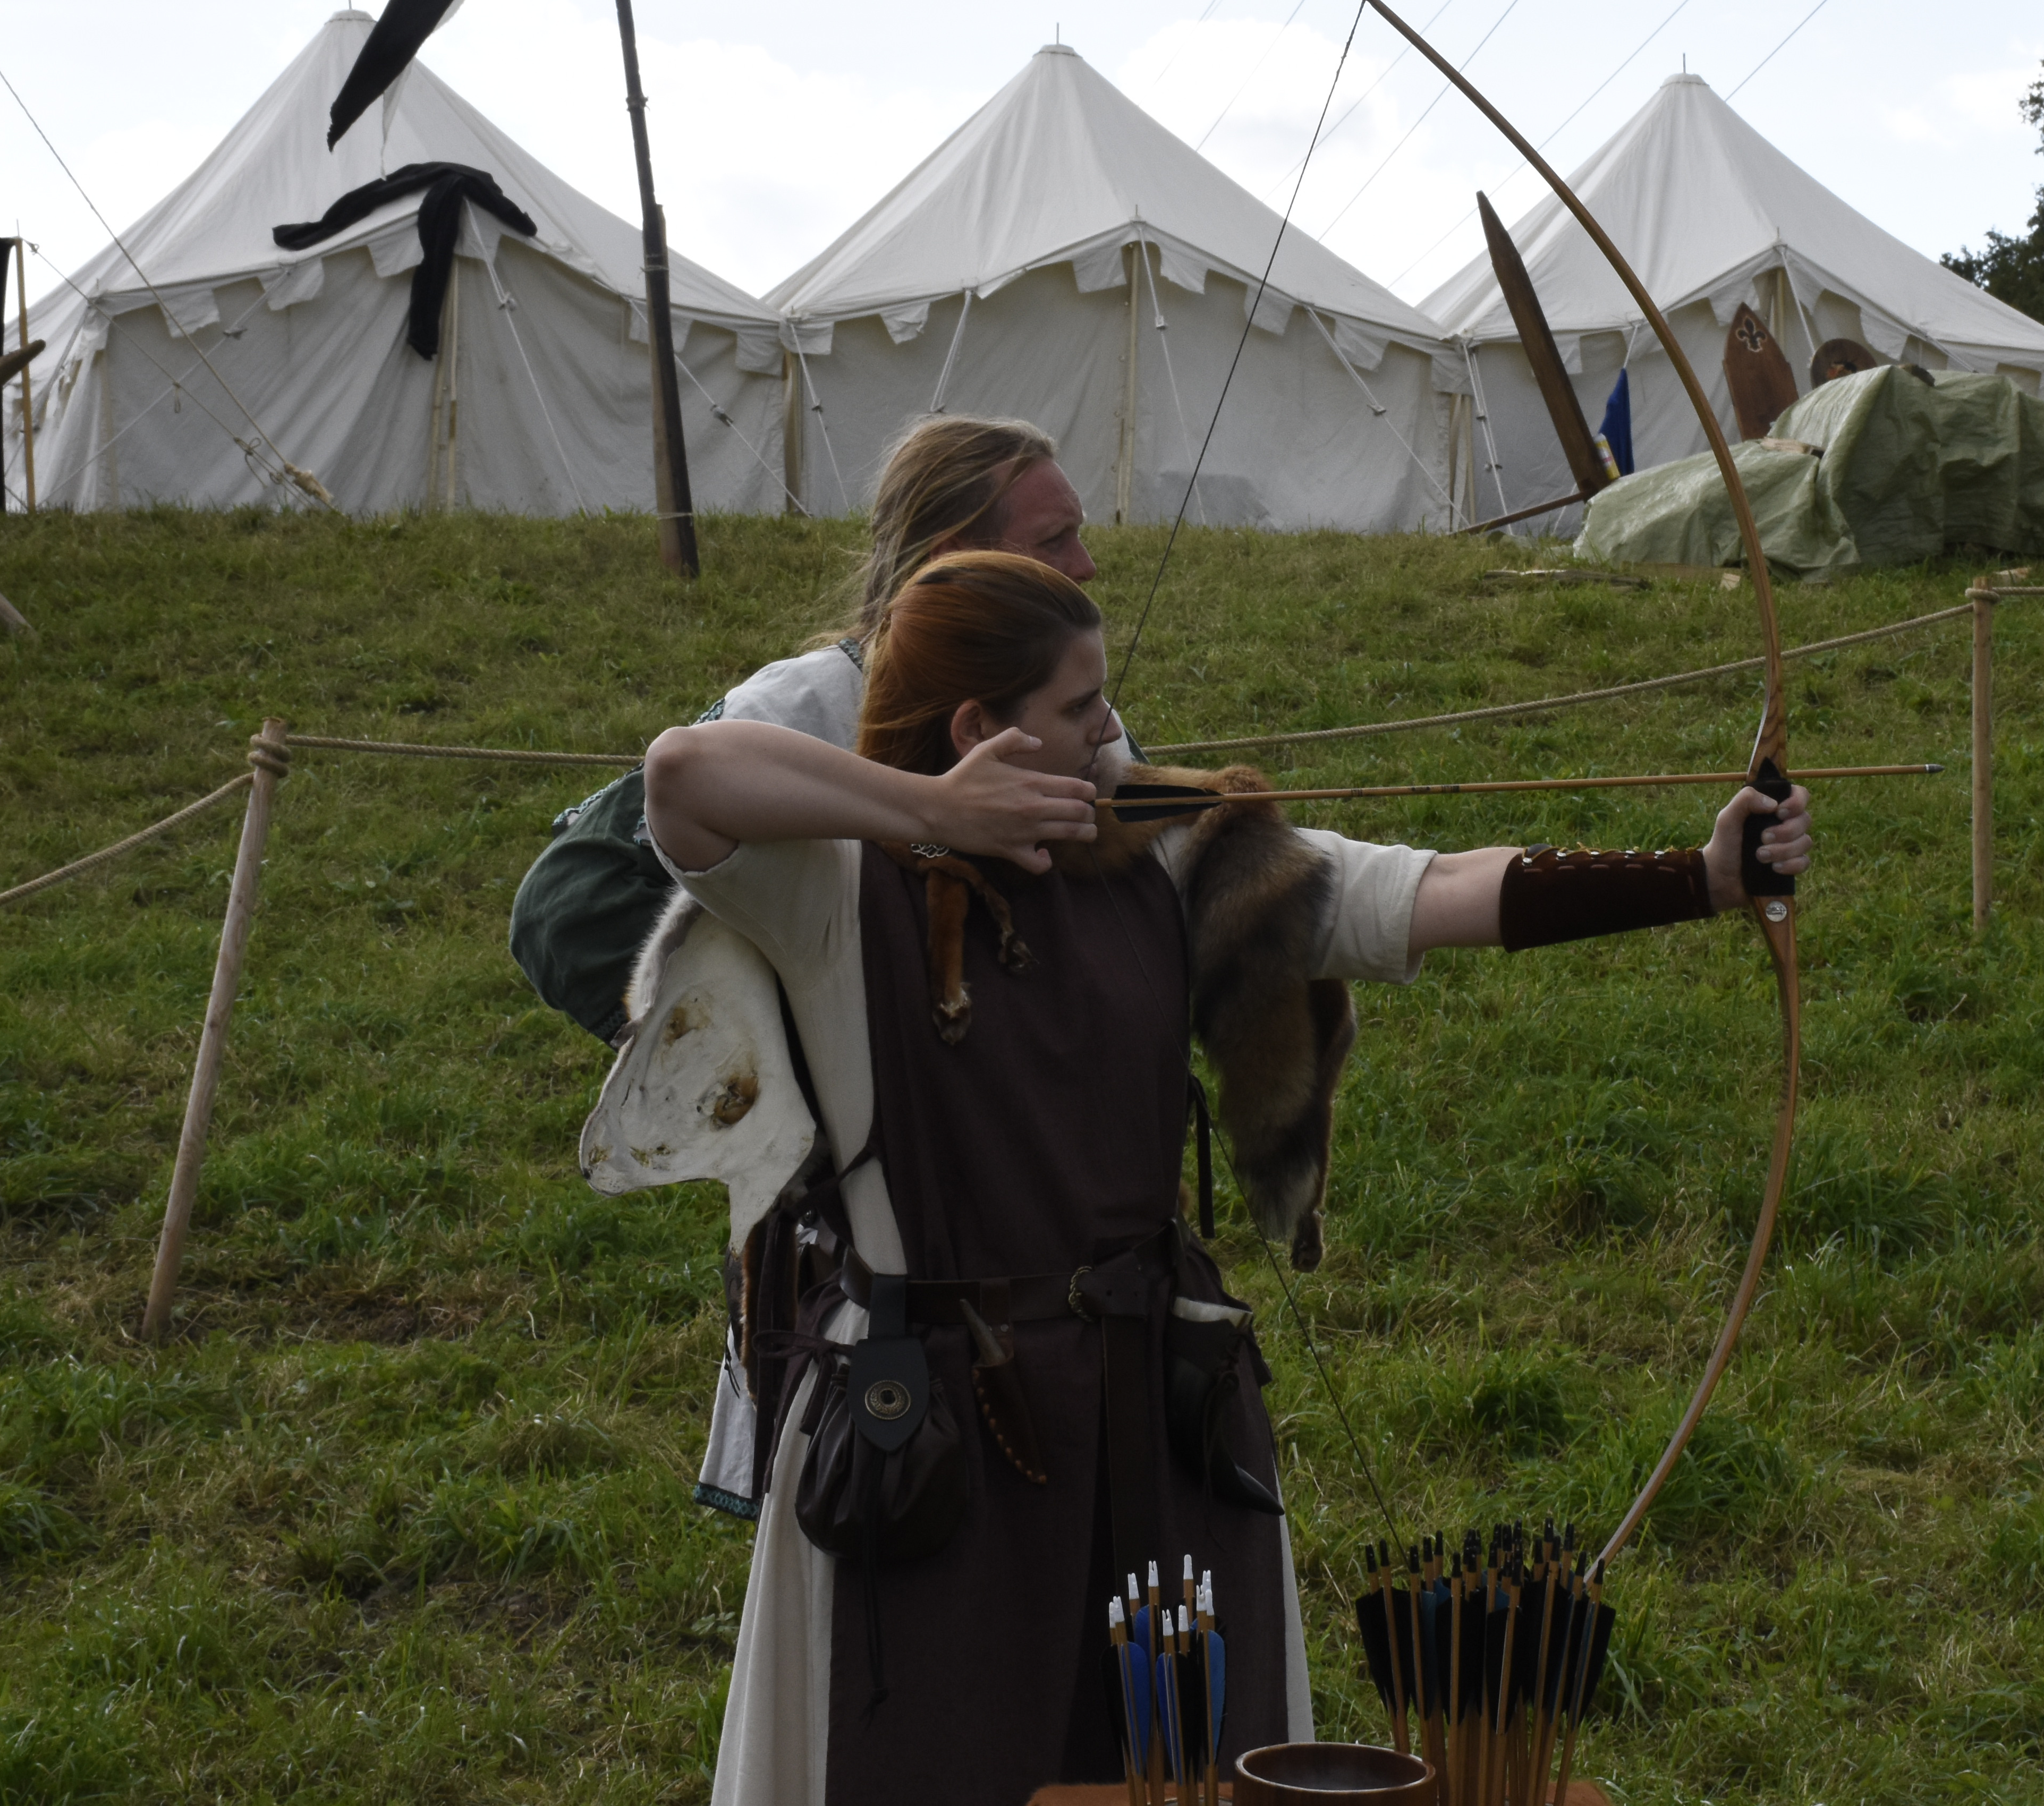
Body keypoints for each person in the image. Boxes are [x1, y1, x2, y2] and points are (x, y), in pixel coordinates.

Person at [642, 552, 1812, 1805]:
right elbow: (682, 776)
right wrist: (933, 810)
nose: (1112, 730)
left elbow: (1409, 893)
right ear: (980, 729)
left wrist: (1697, 878)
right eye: (1080, 707)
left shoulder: (1156, 846)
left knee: (1177, 1770)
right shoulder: (836, 886)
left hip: (1153, 1398)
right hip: (936, 1439)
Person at [508, 414, 1119, 1521]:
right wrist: (795, 1064)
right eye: (1054, 539)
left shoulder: (1069, 705)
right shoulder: (803, 707)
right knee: (859, 1526)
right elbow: (567, 904)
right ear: (956, 557)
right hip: (858, 1237)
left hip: (1029, 1208)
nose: (1084, 565)